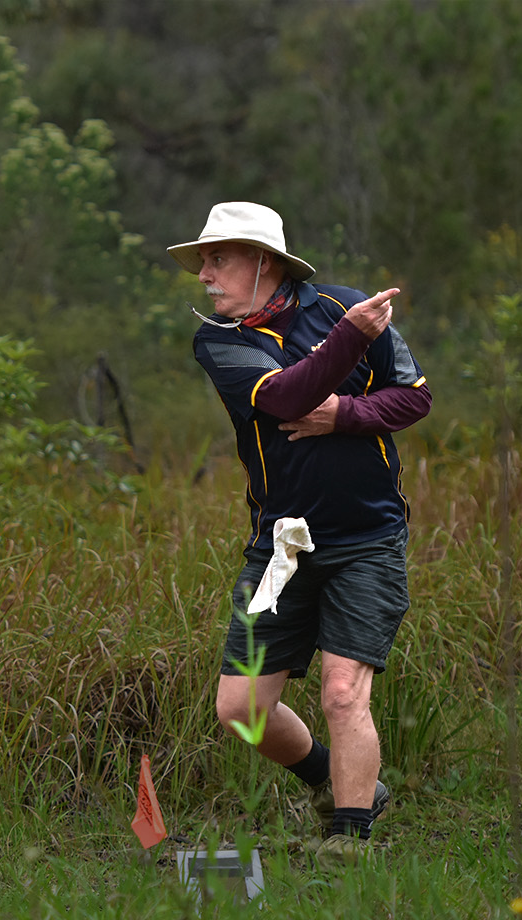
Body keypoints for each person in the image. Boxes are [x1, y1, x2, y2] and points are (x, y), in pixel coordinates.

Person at [167, 202, 432, 865]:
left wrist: (344, 413)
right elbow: (285, 398)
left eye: (217, 259)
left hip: (367, 539)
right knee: (241, 710)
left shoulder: (345, 306)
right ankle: (327, 781)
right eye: (203, 261)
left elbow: (414, 397)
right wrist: (350, 339)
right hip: (281, 548)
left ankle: (350, 841)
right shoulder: (218, 340)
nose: (204, 275)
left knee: (343, 692)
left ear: (264, 262)